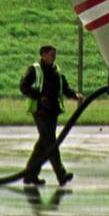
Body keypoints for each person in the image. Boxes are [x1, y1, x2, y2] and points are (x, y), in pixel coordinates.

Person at [20, 44, 81, 186]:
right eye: (51, 54)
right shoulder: (34, 70)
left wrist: (74, 95)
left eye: (55, 54)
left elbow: (63, 87)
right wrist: (39, 97)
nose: (54, 57)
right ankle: (61, 174)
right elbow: (24, 87)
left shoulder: (56, 70)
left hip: (52, 112)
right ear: (43, 54)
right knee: (51, 143)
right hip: (41, 112)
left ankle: (30, 174)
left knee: (43, 144)